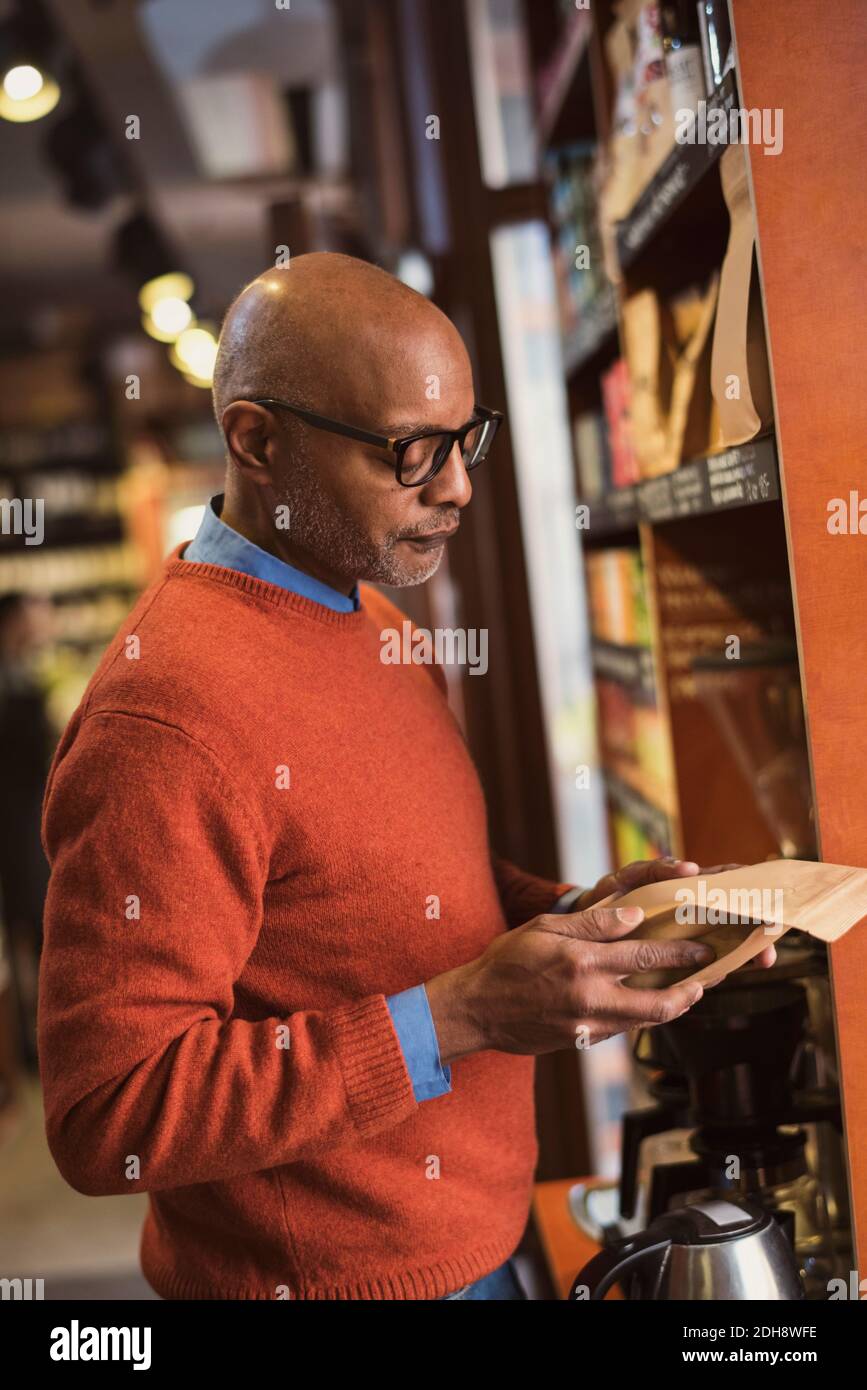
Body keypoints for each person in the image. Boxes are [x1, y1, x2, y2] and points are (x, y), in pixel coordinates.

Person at [37, 253, 775, 1301]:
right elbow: (106, 1111)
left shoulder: (368, 611)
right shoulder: (166, 714)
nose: (459, 485)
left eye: (467, 438)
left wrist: (579, 920)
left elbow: (370, 898)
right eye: (410, 450)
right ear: (257, 440)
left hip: (480, 1241)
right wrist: (461, 1014)